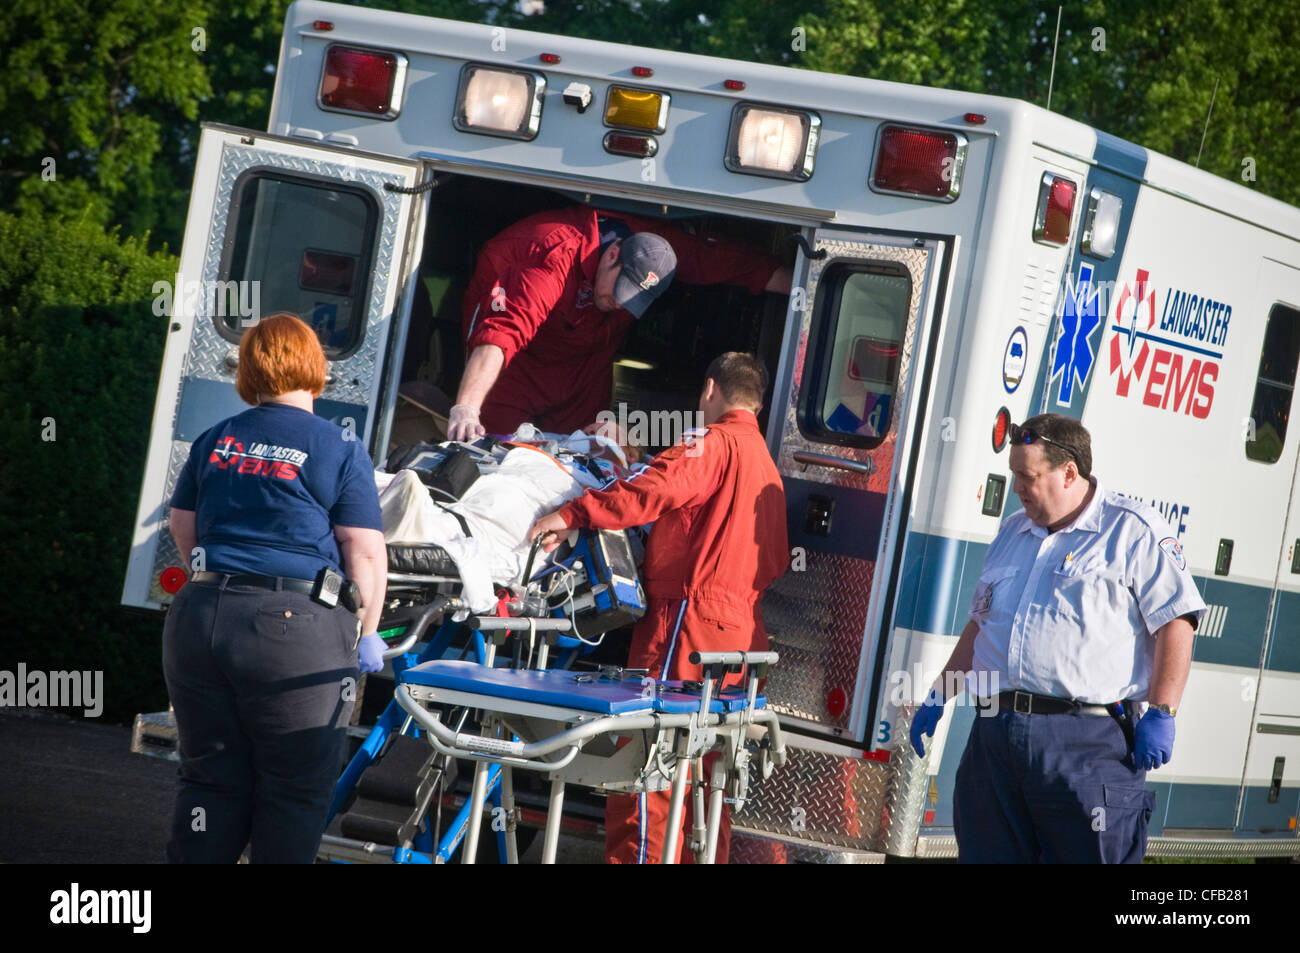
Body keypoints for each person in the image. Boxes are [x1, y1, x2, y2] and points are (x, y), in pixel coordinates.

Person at [529, 352, 789, 863]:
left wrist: (575, 512)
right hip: (740, 641)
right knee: (710, 785)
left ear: (709, 390)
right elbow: (775, 561)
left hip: (686, 630)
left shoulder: (709, 442)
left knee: (649, 769)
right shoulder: (769, 470)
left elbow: (652, 489)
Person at [910, 413, 1205, 863]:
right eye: (1014, 475)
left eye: (1027, 477)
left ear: (1069, 473)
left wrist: (1163, 710)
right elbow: (981, 626)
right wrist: (940, 693)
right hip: (994, 738)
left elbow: (1176, 622)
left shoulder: (1131, 531)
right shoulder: (1013, 532)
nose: (1017, 488)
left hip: (1085, 744)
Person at [162, 312, 389, 863]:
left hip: (200, 620)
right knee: (294, 793)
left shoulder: (218, 437)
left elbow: (182, 526)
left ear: (248, 371)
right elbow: (362, 548)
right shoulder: (338, 445)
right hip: (293, 629)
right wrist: (365, 631)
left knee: (210, 782)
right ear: (316, 367)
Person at [448, 205, 792, 439]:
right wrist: (466, 408)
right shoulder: (551, 259)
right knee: (499, 458)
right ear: (612, 255)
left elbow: (725, 261)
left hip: (585, 372)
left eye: (632, 300)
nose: (617, 303)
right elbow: (500, 336)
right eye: (621, 289)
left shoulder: (656, 253)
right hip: (515, 369)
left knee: (580, 463)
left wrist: (804, 282)